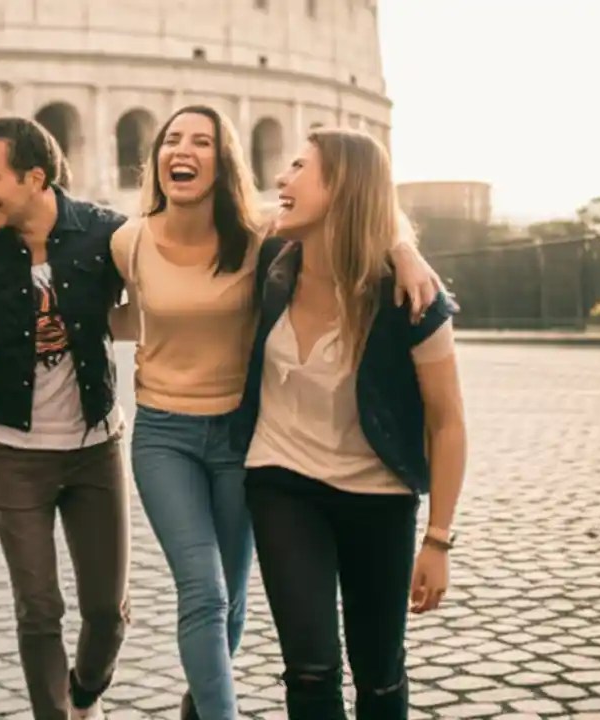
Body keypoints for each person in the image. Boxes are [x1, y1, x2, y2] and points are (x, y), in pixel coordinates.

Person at [106, 105, 441, 720]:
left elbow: (353, 211)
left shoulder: (263, 232)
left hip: (240, 433)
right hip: (164, 435)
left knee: (230, 604)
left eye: (202, 140)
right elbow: (113, 312)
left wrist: (405, 249)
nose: (184, 149)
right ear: (155, 158)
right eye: (172, 139)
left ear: (223, 158)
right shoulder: (128, 239)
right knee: (203, 591)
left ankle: (201, 699)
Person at [233, 127, 467, 720]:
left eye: (298, 168)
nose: (281, 181)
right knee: (309, 670)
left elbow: (447, 423)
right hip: (281, 479)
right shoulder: (271, 260)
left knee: (380, 674)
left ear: (341, 187)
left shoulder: (411, 297)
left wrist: (437, 539)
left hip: (378, 496)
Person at [0, 116, 130, 720]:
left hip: (96, 445)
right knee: (38, 607)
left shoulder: (106, 233)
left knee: (107, 610)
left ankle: (83, 693)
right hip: (12, 451)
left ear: (36, 176)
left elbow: (185, 260)